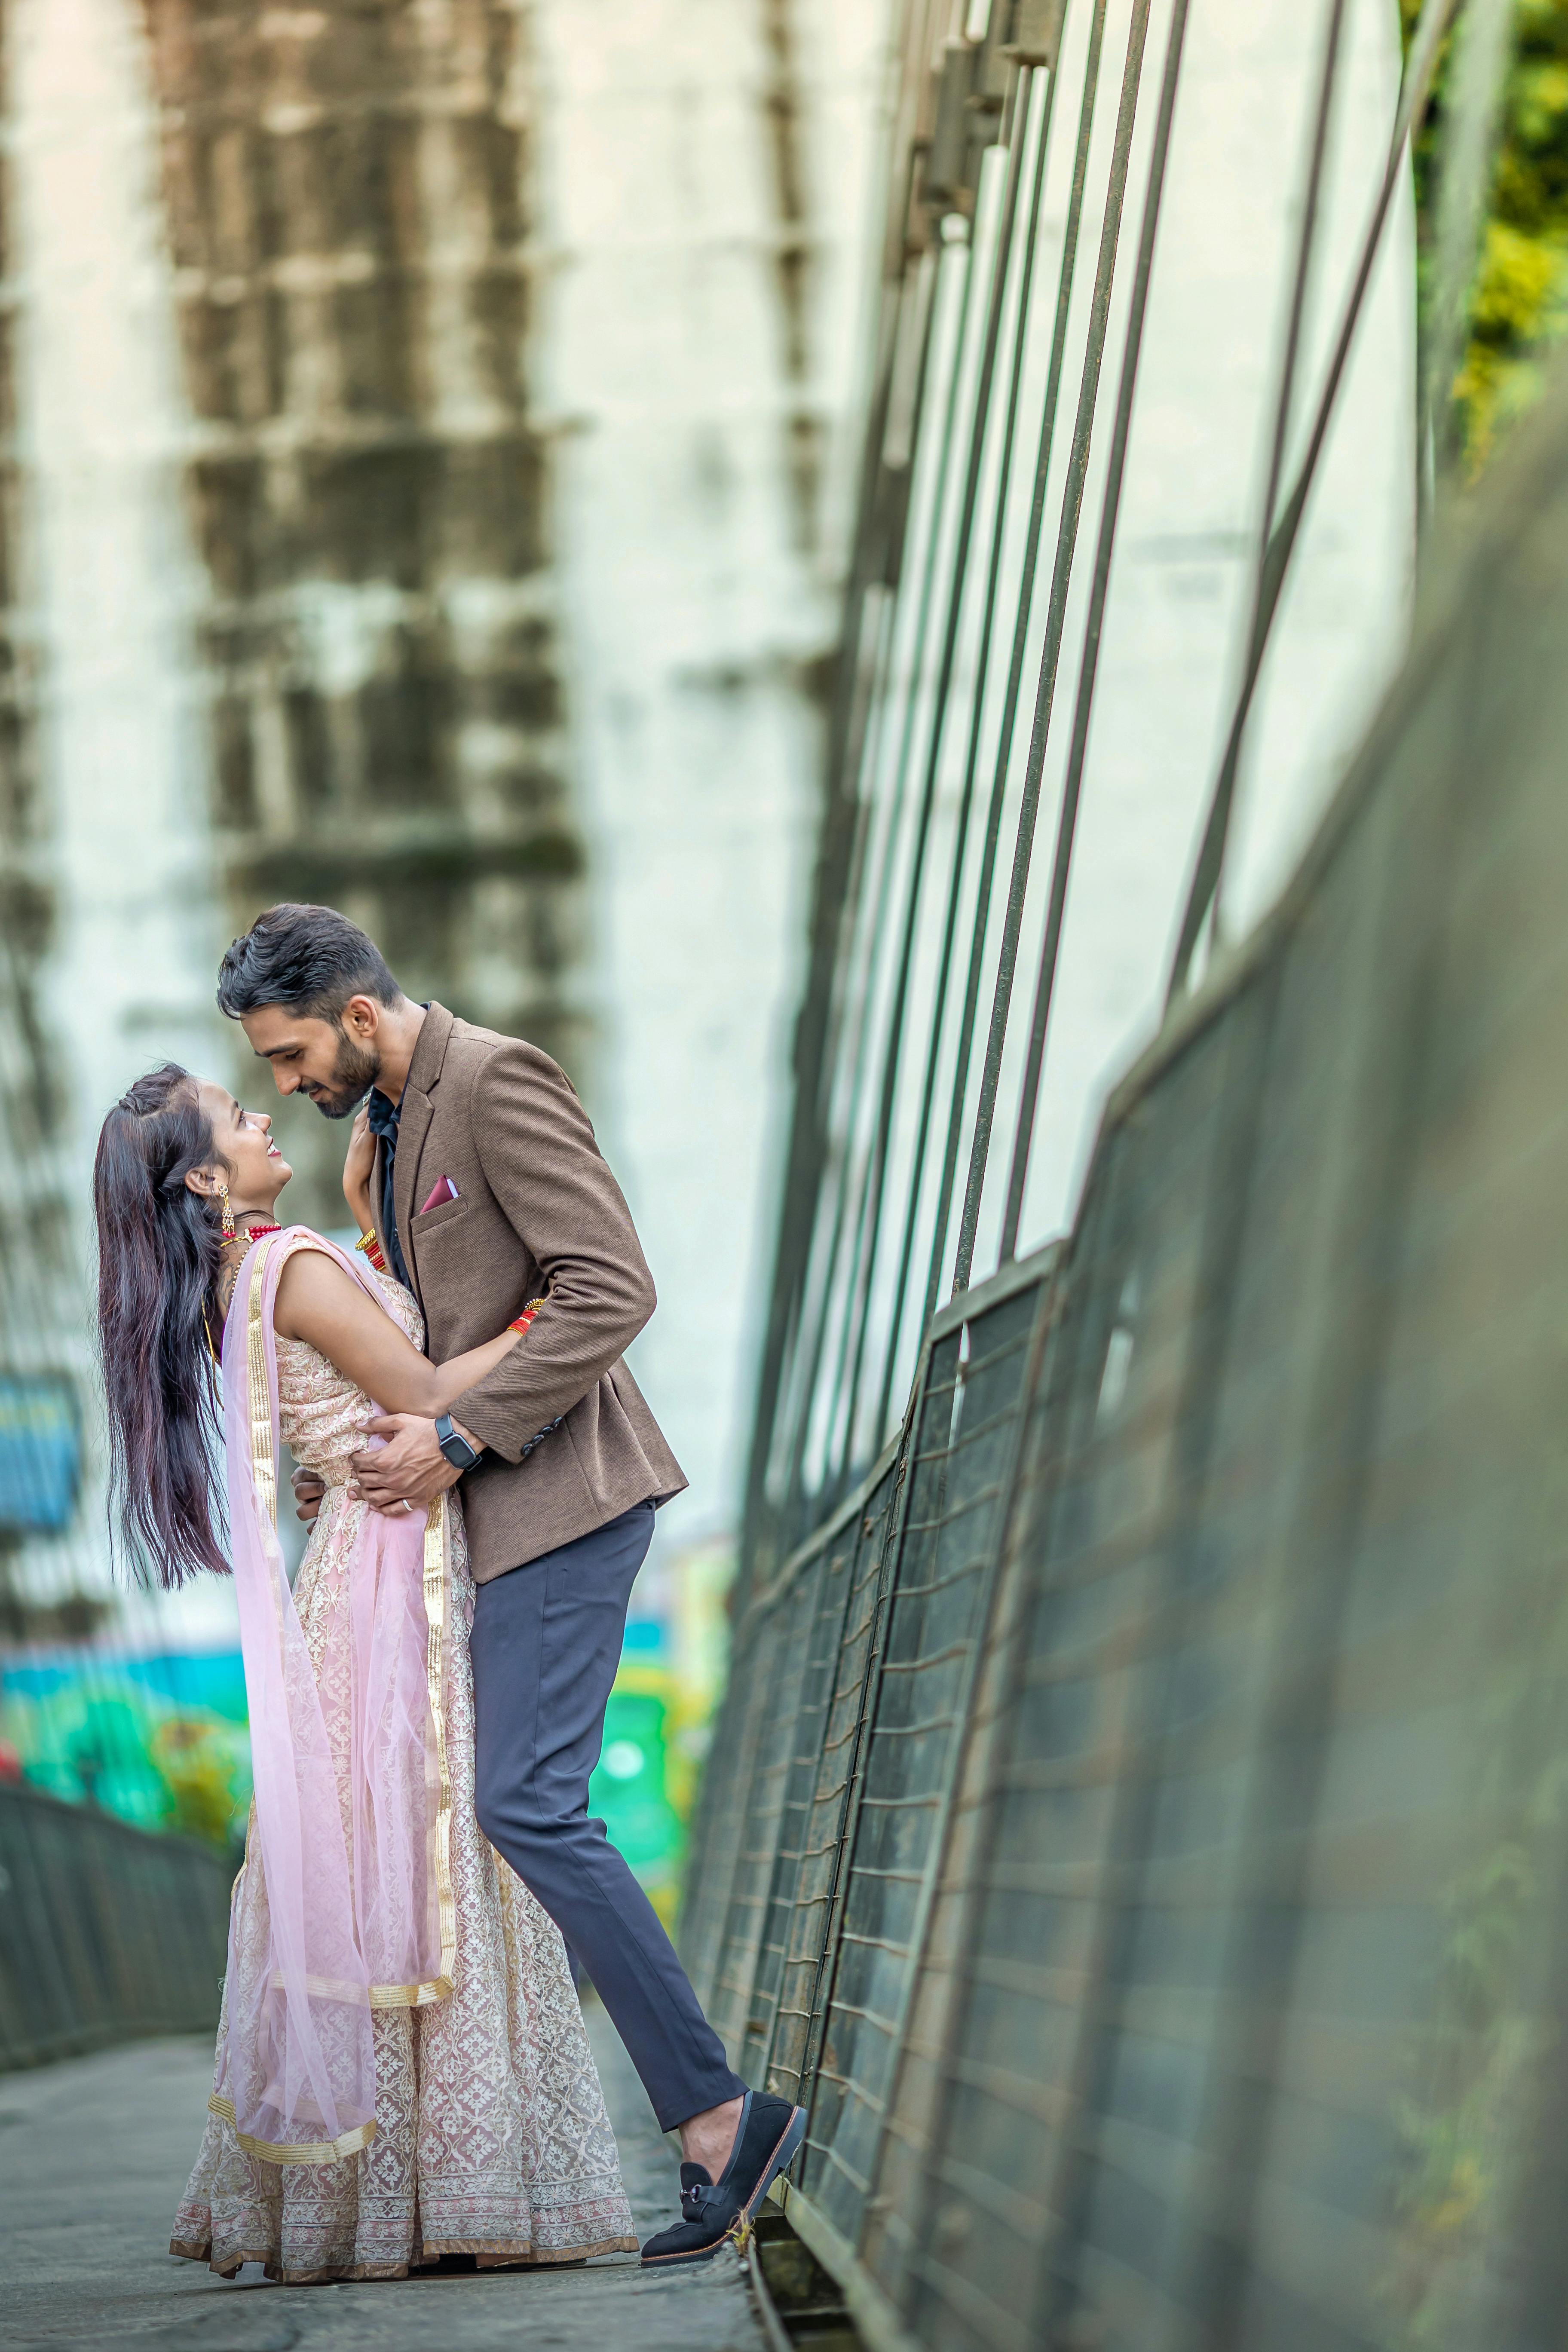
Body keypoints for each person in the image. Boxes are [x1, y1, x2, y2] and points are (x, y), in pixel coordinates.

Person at [214, 903, 805, 2268]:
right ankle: (637, 2133)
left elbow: (611, 1288)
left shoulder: (493, 1079)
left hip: (566, 1498)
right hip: (489, 1514)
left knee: (526, 1803)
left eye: (296, 1053)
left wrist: (458, 1434)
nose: (288, 1086)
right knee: (508, 1812)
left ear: (359, 1016)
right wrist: (358, 1451)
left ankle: (720, 2119)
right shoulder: (388, 1127)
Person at [94, 1065, 638, 2280]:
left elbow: (334, 1418)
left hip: (352, 1572)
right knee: (439, 1858)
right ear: (202, 1175)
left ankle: (374, 2203)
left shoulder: (241, 1280)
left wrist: (366, 1222)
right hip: (406, 1579)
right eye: (239, 1115)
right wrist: (545, 1319)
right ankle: (454, 2193)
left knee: (381, 1866)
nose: (262, 1114)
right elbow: (428, 1397)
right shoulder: (291, 1268)